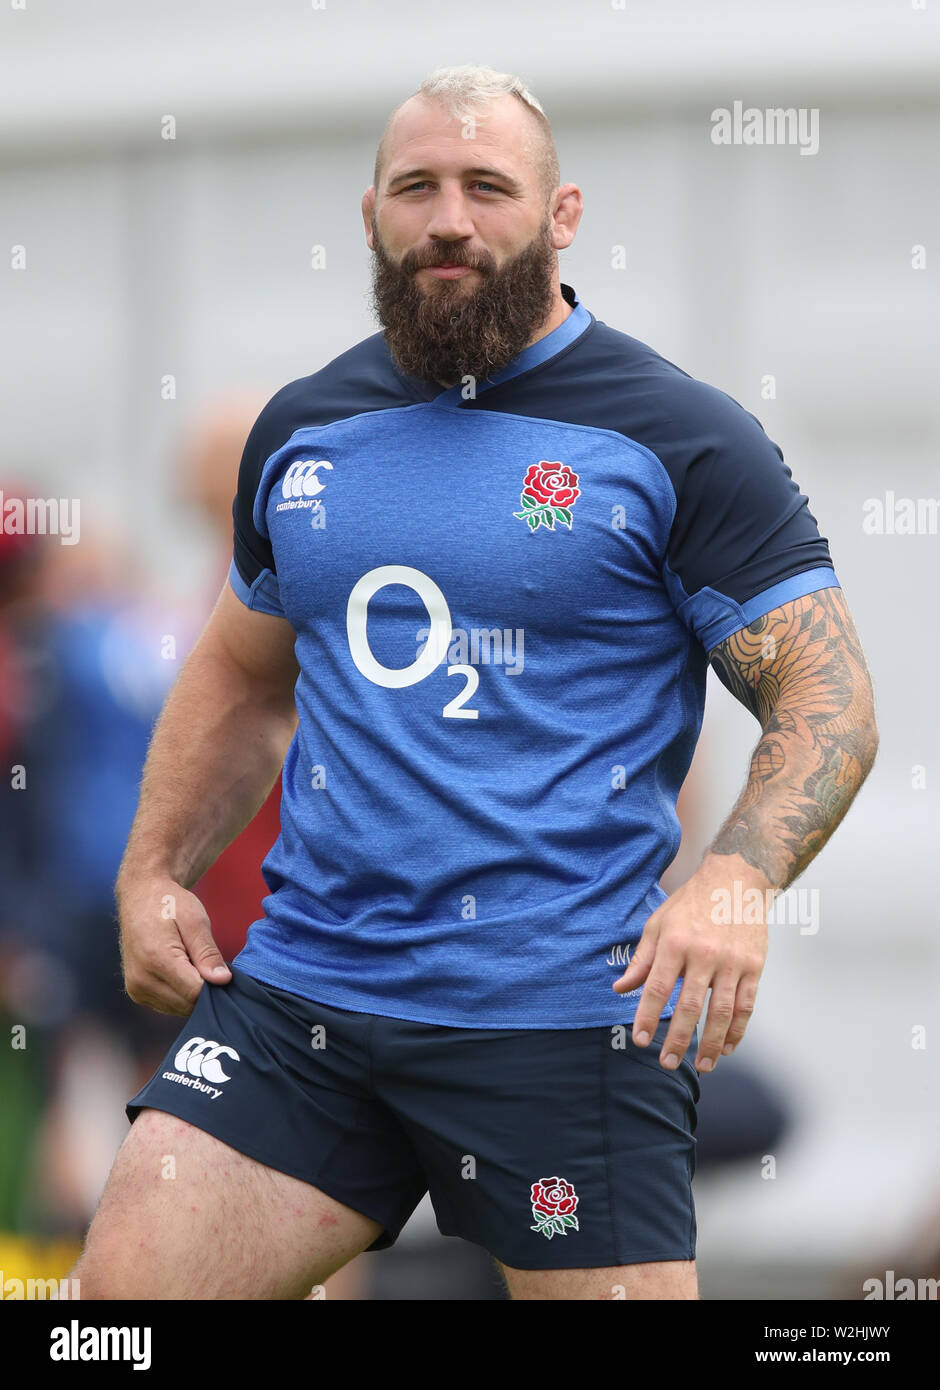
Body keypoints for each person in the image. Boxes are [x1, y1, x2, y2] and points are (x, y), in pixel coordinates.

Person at [70, 64, 878, 1302]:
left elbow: (829, 701)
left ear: (560, 217)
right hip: (305, 1001)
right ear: (372, 216)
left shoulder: (679, 437)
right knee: (109, 1319)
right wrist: (152, 871)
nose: (451, 217)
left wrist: (733, 878)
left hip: (562, 1023)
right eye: (419, 187)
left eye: (488, 186)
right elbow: (239, 673)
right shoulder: (302, 431)